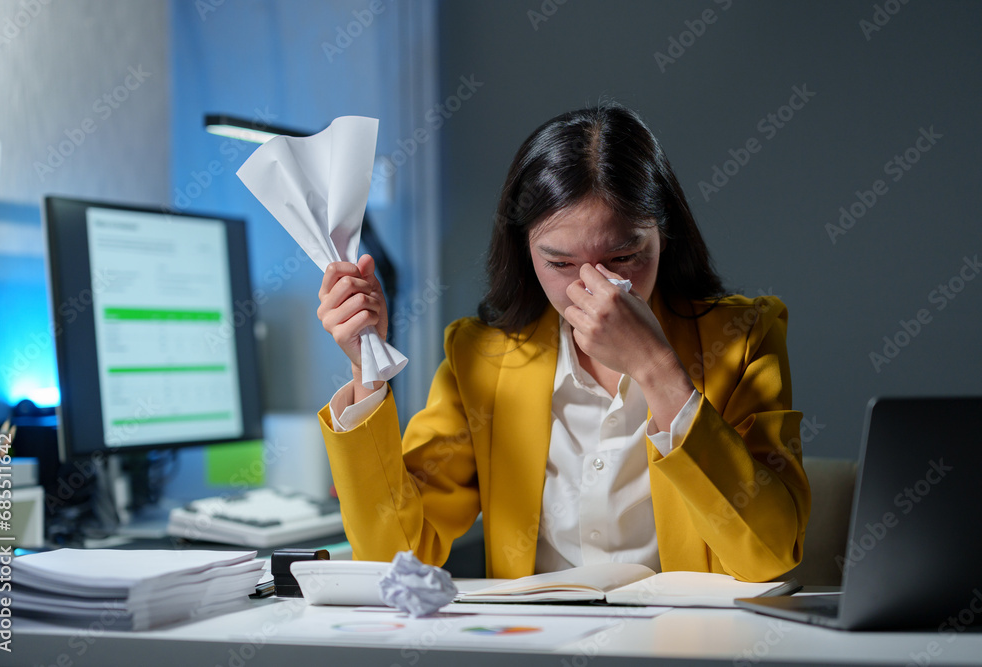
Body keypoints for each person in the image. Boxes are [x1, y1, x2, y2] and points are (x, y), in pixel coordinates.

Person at [315, 104, 810, 582]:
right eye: (559, 263)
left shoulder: (743, 338)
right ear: (526, 252)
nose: (593, 288)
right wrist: (367, 368)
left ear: (664, 236)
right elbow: (396, 554)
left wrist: (657, 368)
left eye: (623, 258)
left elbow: (769, 553)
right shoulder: (481, 358)